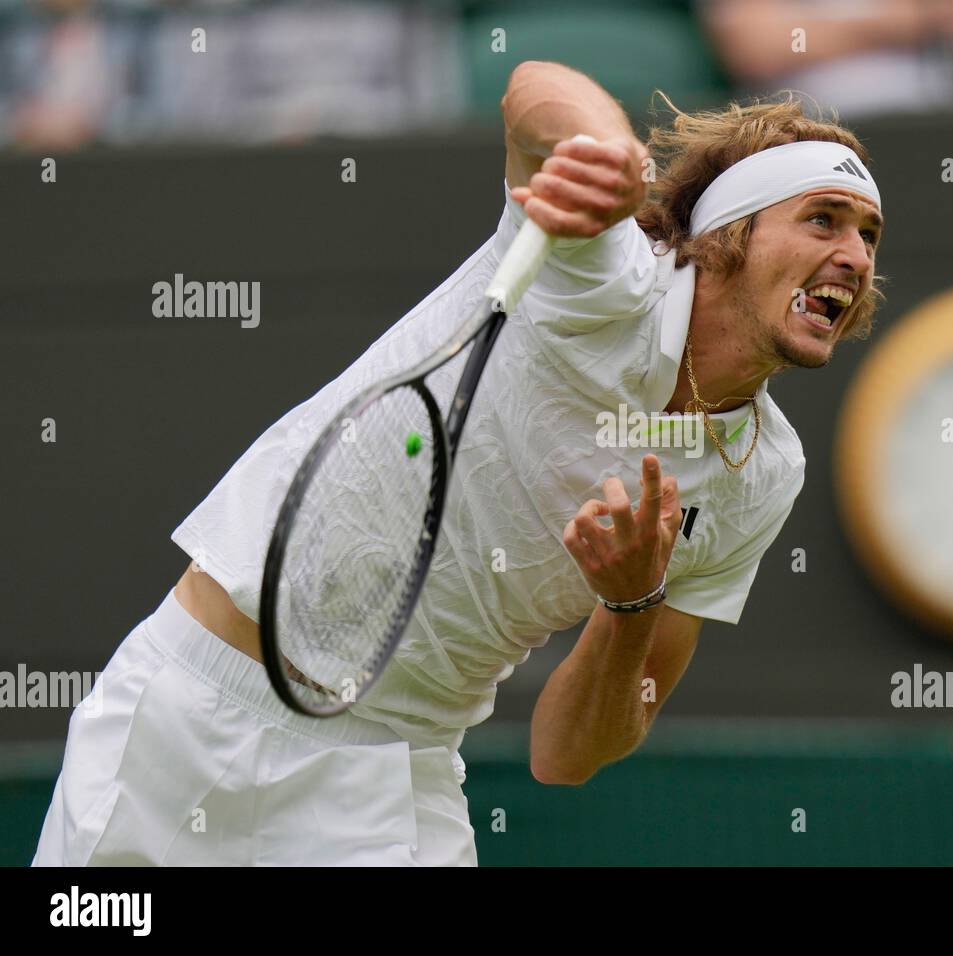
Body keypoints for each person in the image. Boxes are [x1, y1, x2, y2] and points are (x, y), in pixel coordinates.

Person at [32, 60, 884, 866]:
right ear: (730, 234)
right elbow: (531, 90)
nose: (855, 253)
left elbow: (566, 755)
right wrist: (604, 149)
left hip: (392, 781)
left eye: (869, 234)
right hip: (194, 709)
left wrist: (632, 600)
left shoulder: (762, 474)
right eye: (823, 219)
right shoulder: (599, 277)